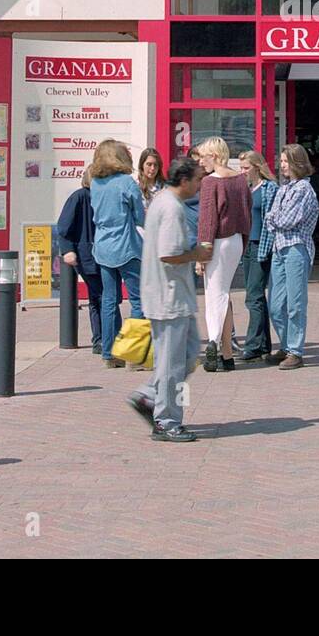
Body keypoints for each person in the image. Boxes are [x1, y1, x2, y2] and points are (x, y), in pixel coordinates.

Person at [127, 156, 213, 443]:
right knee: (173, 362)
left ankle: (150, 396)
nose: (201, 185)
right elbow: (168, 253)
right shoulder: (172, 208)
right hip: (169, 297)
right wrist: (196, 254)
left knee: (188, 355)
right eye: (198, 179)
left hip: (173, 296)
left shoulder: (162, 200)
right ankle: (166, 419)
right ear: (184, 180)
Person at [196, 137, 252, 373]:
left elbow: (208, 220)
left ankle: (212, 342)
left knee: (213, 296)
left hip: (217, 242)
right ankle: (227, 355)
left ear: (215, 156)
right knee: (224, 296)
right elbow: (247, 212)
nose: (200, 162)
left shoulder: (210, 182)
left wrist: (202, 252)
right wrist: (243, 241)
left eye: (203, 157)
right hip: (236, 241)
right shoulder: (241, 179)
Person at [89, 140, 146, 368]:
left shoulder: (95, 183)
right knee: (138, 301)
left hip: (102, 247)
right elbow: (140, 217)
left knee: (109, 300)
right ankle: (135, 355)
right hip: (127, 247)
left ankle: (109, 353)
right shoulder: (126, 183)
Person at [263, 143, 319, 369]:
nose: (282, 165)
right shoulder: (285, 188)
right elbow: (272, 219)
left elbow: (287, 220)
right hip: (279, 247)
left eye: (286, 161)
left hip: (297, 248)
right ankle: (286, 345)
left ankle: (295, 351)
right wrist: (275, 219)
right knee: (276, 304)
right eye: (282, 161)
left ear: (297, 162)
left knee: (295, 303)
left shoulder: (304, 189)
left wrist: (275, 219)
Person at [54, 165, 109, 356]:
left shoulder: (102, 197)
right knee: (100, 296)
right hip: (88, 256)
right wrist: (68, 250)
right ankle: (101, 339)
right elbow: (63, 227)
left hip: (104, 254)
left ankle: (103, 338)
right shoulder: (79, 197)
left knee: (101, 297)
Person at [239, 149, 278, 362]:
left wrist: (269, 248)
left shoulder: (269, 188)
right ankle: (263, 345)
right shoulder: (248, 188)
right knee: (255, 296)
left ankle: (254, 345)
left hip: (261, 245)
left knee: (253, 295)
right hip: (247, 245)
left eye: (246, 168)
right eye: (241, 168)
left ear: (257, 167)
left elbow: (271, 220)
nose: (243, 171)